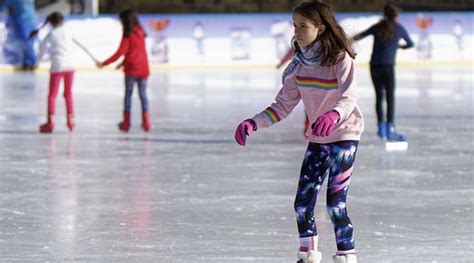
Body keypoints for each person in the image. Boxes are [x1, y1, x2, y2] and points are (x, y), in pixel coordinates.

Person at [234, 2, 363, 263]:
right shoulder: (298, 65)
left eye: (303, 26)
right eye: (295, 26)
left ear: (321, 28)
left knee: (335, 203)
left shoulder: (340, 58)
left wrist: (333, 114)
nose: (297, 32)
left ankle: (346, 254)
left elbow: (349, 97)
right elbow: (282, 107)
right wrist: (254, 122)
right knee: (302, 203)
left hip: (345, 134)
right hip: (318, 137)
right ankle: (308, 254)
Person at [353, 3, 413, 142]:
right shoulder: (399, 28)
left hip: (374, 66)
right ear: (396, 16)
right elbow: (410, 44)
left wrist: (344, 41)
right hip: (388, 67)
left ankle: (381, 129)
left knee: (379, 96)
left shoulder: (378, 26)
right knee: (390, 97)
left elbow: (360, 36)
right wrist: (399, 46)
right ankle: (390, 130)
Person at [96, 9, 151, 132]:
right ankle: (146, 122)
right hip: (143, 69)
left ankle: (126, 123)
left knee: (128, 95)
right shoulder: (141, 31)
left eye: (121, 19)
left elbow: (120, 52)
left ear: (125, 20)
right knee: (143, 95)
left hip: (132, 71)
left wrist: (104, 63)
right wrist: (123, 63)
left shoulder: (128, 34)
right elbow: (135, 52)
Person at [30, 12, 76, 133]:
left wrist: (36, 64)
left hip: (57, 67)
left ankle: (50, 122)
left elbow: (41, 50)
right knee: (68, 94)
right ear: (62, 21)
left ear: (51, 23)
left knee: (52, 95)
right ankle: (70, 121)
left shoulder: (51, 34)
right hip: (70, 67)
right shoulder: (68, 33)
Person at [0, 0, 37, 70]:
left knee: (28, 42)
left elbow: (3, 7)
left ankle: (32, 61)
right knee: (29, 42)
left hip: (24, 22)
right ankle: (28, 62)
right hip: (31, 21)